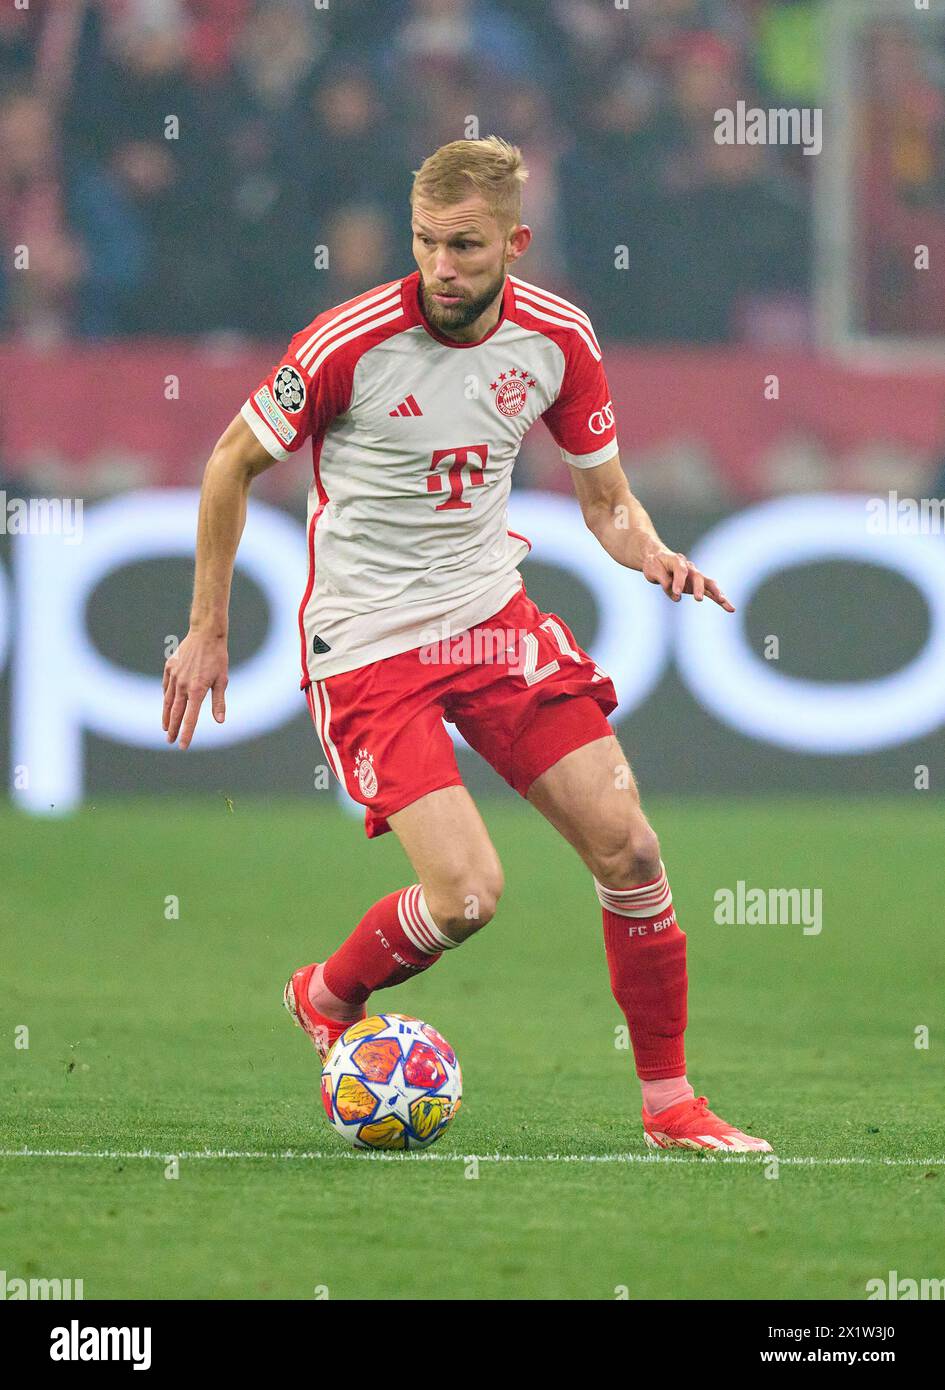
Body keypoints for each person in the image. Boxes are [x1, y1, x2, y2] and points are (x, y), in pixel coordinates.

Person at [163, 136, 770, 1153]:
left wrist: (651, 551)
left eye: (466, 247)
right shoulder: (346, 343)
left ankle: (670, 1106)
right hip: (367, 644)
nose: (442, 267)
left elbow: (607, 505)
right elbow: (229, 464)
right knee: (469, 895)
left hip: (491, 620)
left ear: (515, 244)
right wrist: (208, 628)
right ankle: (328, 992)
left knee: (632, 848)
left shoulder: (558, 340)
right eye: (426, 243)